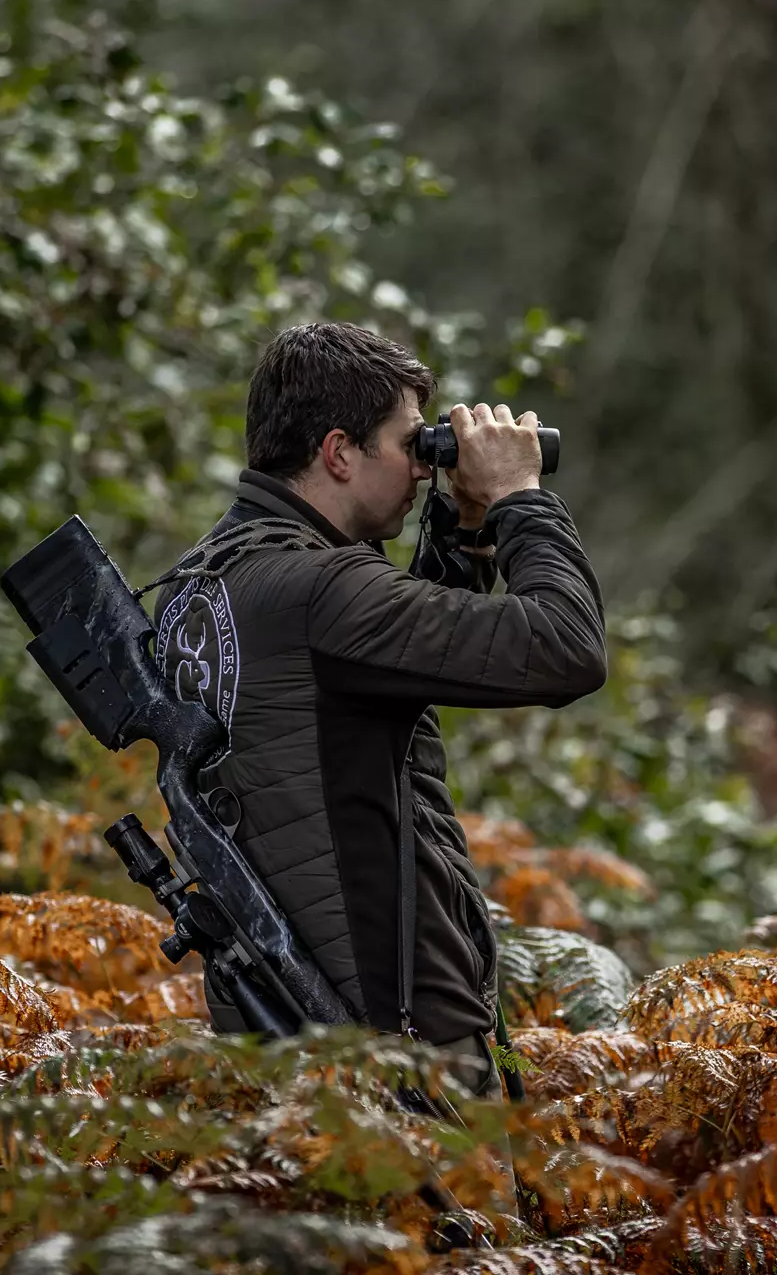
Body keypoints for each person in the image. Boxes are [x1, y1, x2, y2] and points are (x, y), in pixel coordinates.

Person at [148, 322, 606, 1100]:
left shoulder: (209, 579)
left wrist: (461, 531)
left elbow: (369, 691)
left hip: (288, 1020)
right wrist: (520, 501)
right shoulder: (319, 592)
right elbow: (566, 647)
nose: (423, 469)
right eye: (408, 444)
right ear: (337, 452)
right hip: (397, 1039)